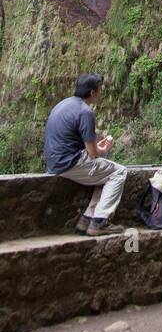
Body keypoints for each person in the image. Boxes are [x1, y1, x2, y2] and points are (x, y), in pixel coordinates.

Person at [44, 73, 128, 237]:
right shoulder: (85, 112)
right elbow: (94, 154)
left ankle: (87, 219)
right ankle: (99, 222)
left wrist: (96, 148)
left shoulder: (63, 104)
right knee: (119, 172)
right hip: (69, 163)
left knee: (104, 174)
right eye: (99, 89)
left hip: (54, 162)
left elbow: (82, 146)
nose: (100, 92)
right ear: (92, 92)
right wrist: (104, 148)